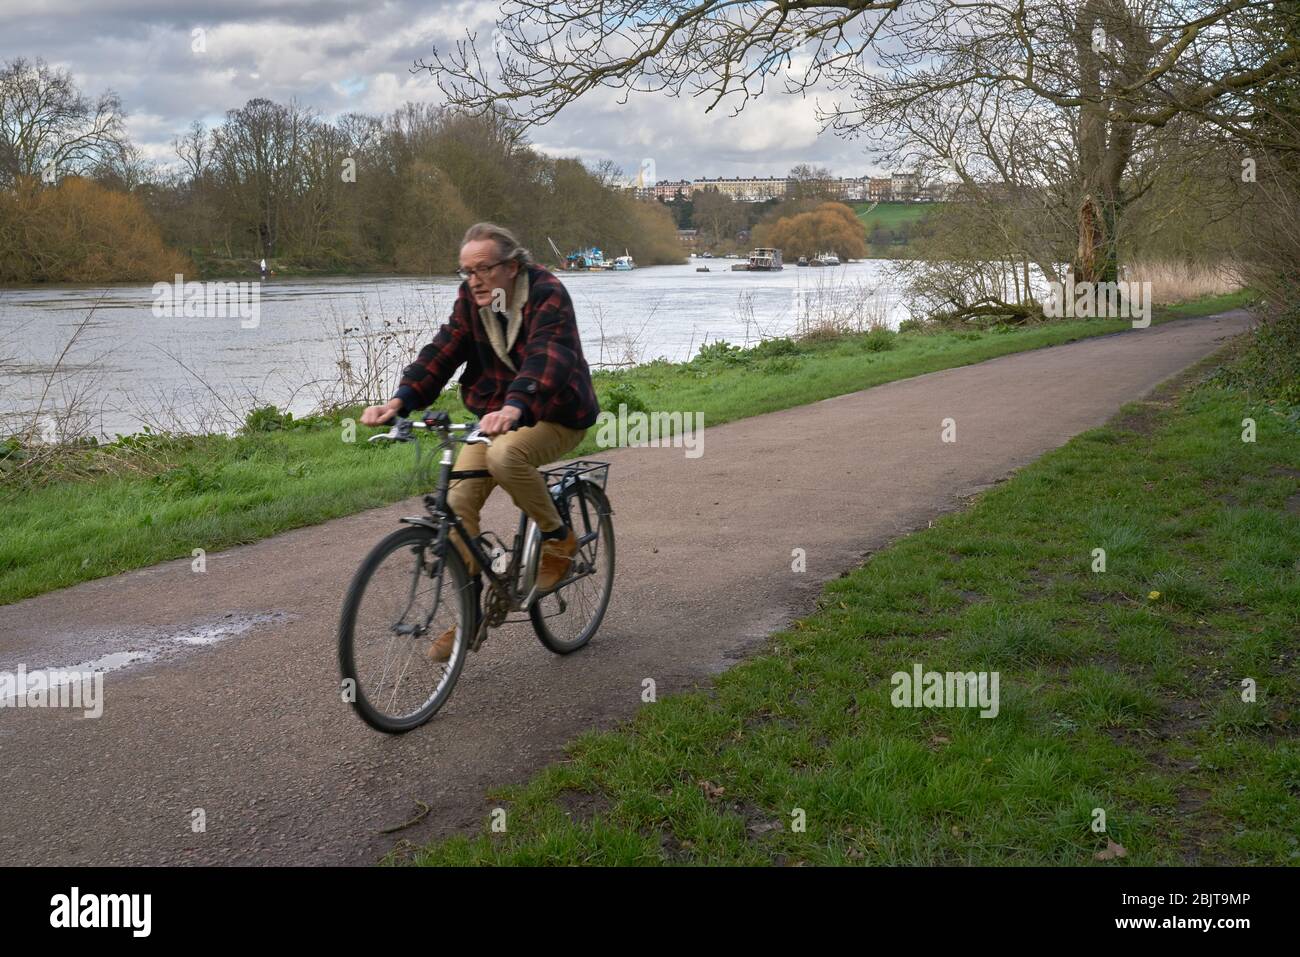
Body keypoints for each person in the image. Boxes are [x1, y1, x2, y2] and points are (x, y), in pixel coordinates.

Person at [360, 223, 600, 661]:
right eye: (466, 271)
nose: (473, 279)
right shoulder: (470, 301)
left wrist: (515, 406)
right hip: (495, 417)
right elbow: (443, 351)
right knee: (454, 505)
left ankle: (557, 538)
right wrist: (401, 400)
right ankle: (470, 615)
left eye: (483, 269)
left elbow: (549, 356)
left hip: (554, 413)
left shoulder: (548, 293)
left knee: (507, 456)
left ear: (511, 267)